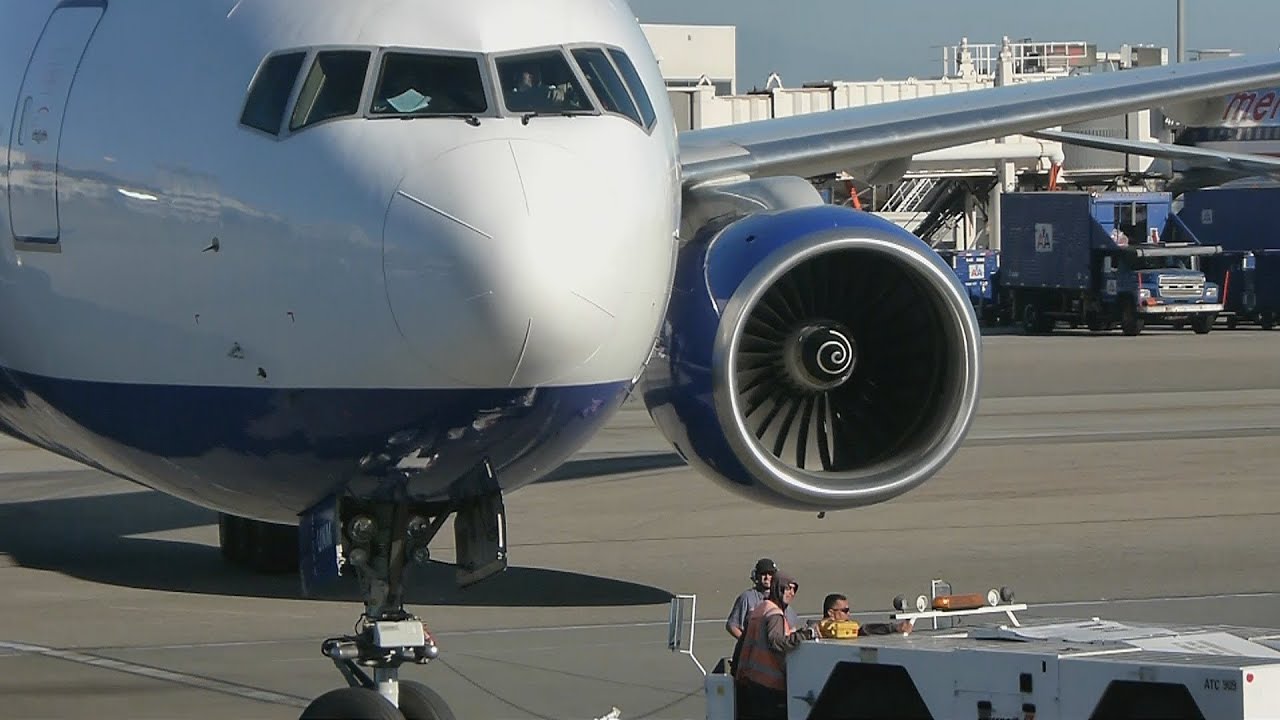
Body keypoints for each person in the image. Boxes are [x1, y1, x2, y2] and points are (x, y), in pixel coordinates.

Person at [730, 573, 814, 720]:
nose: (791, 593)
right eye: (787, 588)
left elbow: (744, 641)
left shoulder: (761, 608)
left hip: (752, 679)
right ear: (777, 588)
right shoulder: (774, 614)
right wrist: (807, 634)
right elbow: (776, 642)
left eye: (794, 589)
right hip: (770, 684)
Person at [726, 558, 801, 639]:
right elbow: (732, 625)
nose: (767, 577)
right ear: (756, 576)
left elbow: (791, 628)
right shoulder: (747, 597)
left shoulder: (781, 598)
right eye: (763, 574)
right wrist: (746, 642)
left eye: (770, 574)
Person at [821, 593, 913, 636]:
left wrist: (894, 628)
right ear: (831, 613)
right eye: (845, 610)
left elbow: (865, 629)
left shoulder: (847, 629)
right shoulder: (818, 629)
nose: (848, 613)